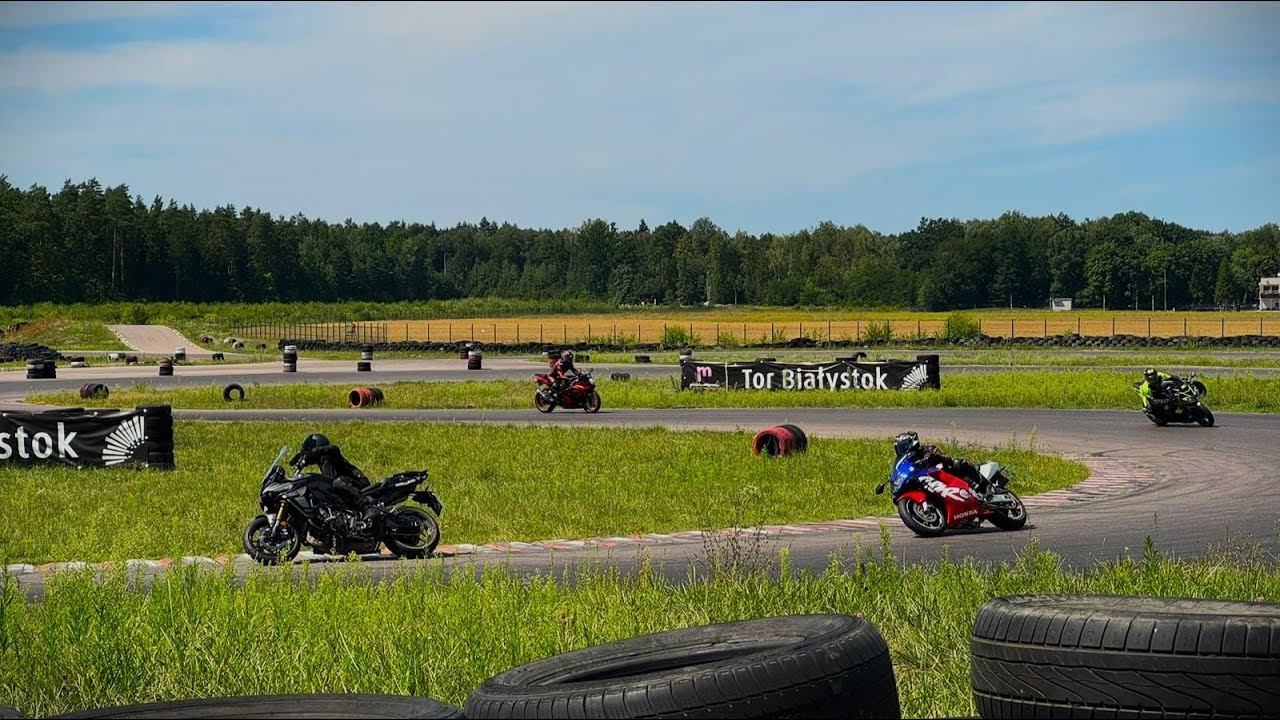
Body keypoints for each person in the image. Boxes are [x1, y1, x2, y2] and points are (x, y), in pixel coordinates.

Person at [295, 433, 381, 526]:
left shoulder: (332, 456)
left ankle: (368, 507)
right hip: (345, 490)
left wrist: (313, 451)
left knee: (338, 482)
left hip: (357, 482)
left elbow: (333, 449)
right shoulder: (323, 464)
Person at [891, 430, 991, 499]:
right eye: (900, 448)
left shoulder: (927, 449)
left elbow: (944, 457)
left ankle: (986, 488)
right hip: (930, 481)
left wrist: (931, 456)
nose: (901, 450)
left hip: (942, 471)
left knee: (958, 464)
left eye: (903, 446)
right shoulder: (907, 461)